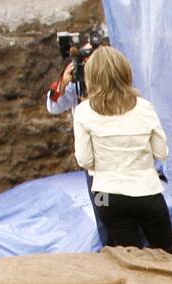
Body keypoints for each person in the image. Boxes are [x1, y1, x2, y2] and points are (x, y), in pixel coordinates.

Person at [72, 46, 172, 254]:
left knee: (129, 257)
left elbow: (84, 160)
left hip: (105, 194)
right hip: (147, 190)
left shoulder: (83, 111)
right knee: (166, 253)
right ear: (125, 72)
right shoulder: (144, 107)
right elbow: (161, 152)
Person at [45, 50, 110, 247]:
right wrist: (63, 82)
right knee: (102, 204)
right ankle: (110, 244)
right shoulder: (76, 87)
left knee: (121, 203)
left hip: (115, 155)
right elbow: (54, 106)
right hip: (94, 163)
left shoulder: (113, 83)